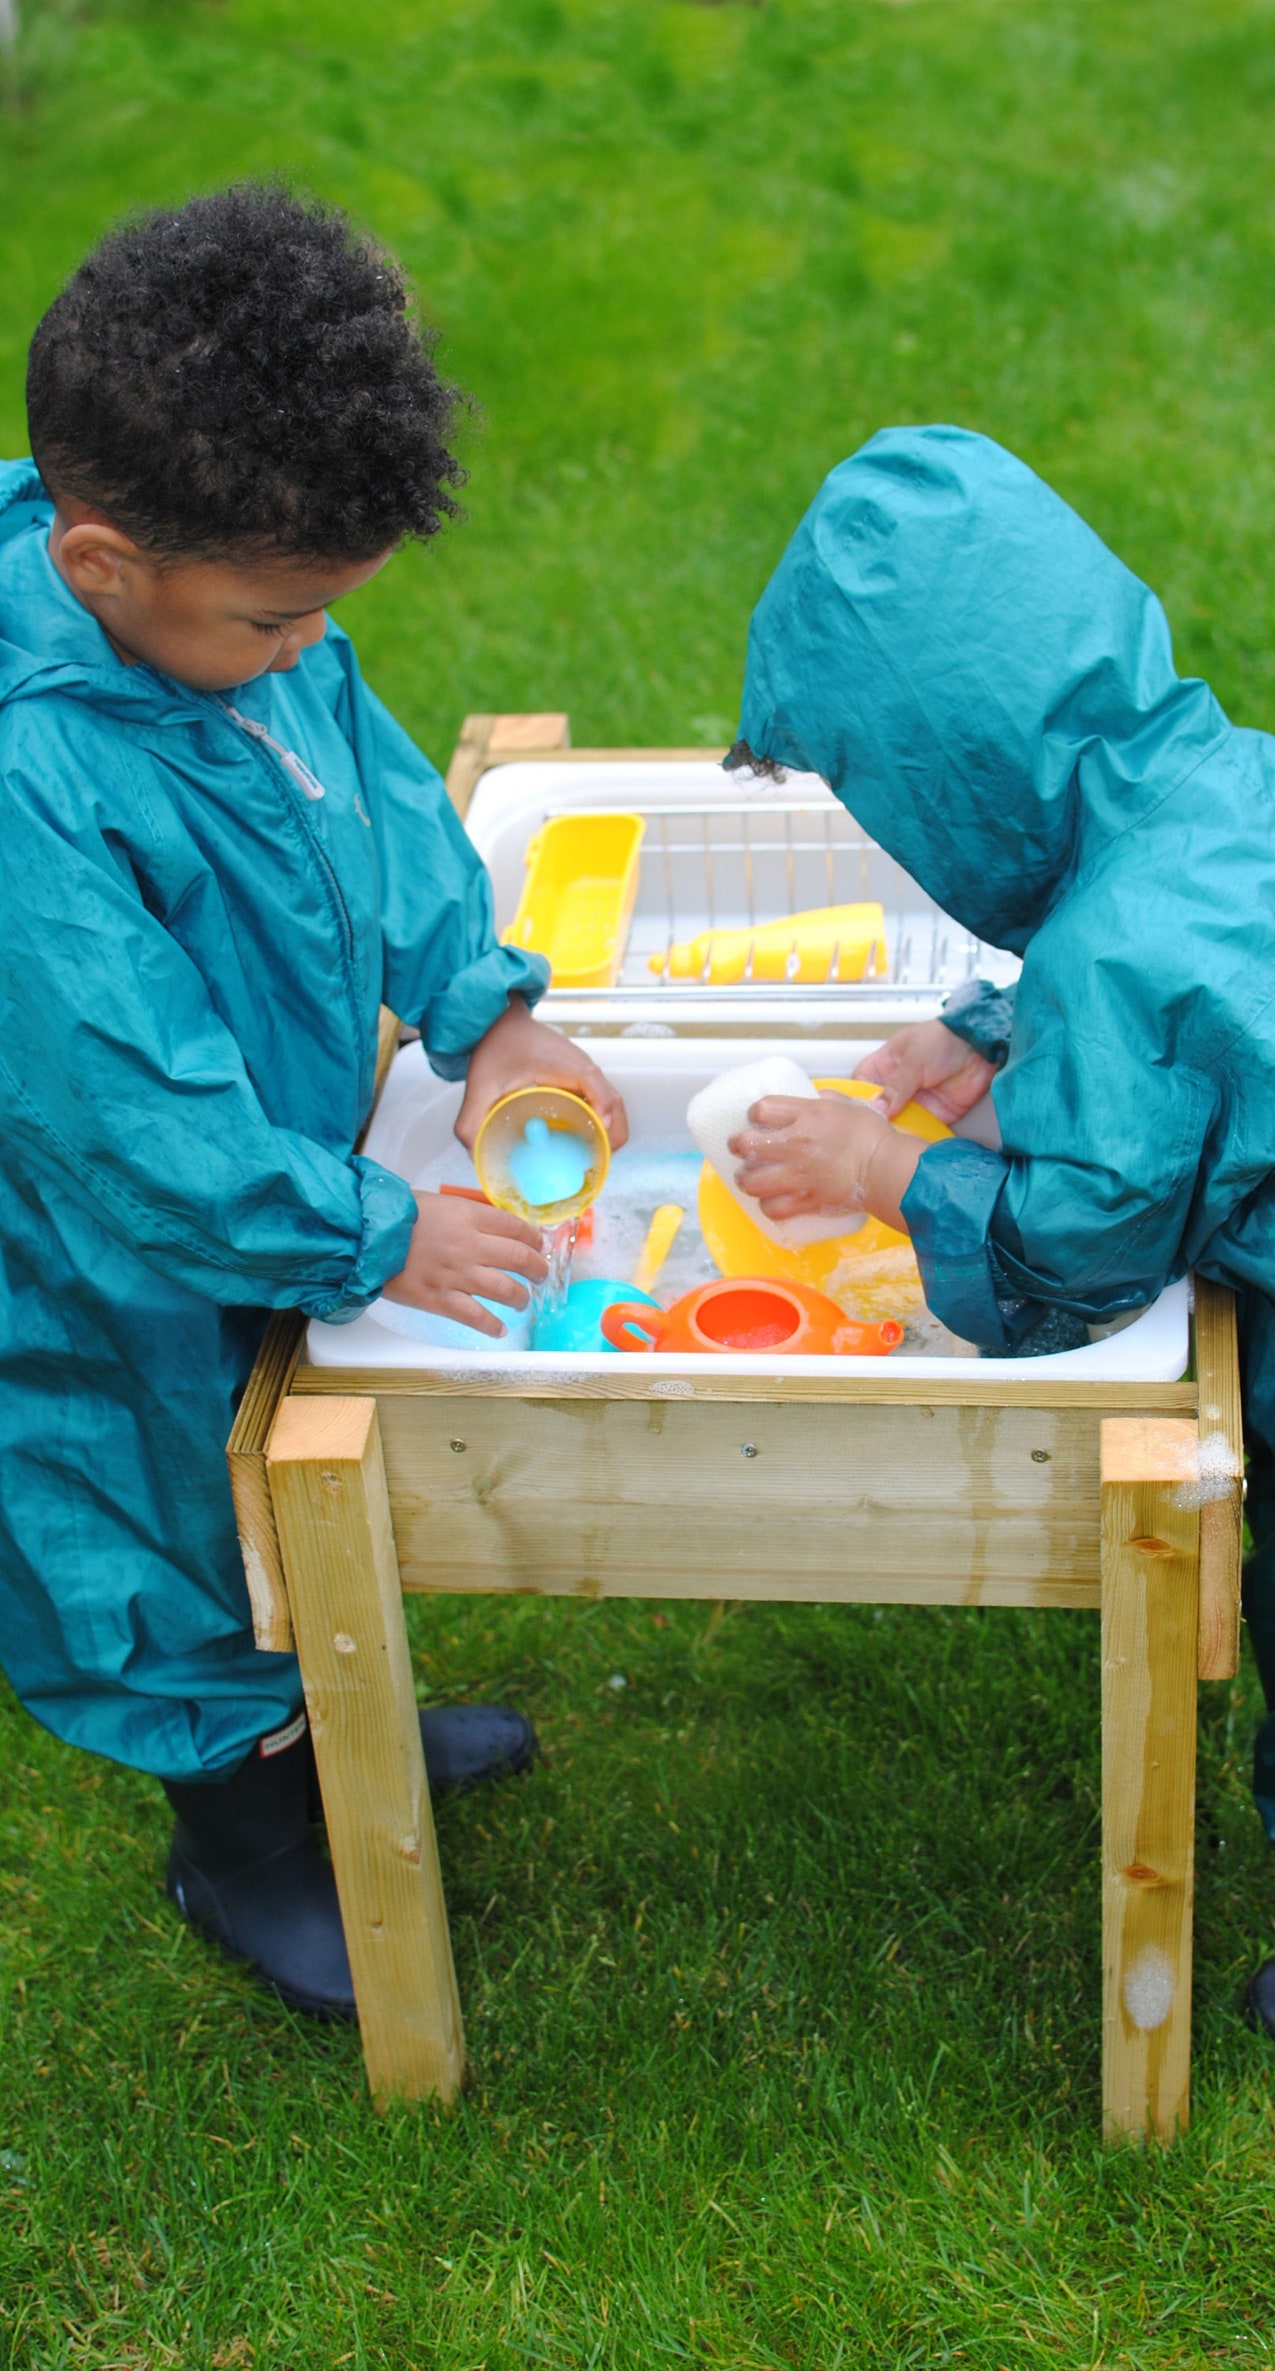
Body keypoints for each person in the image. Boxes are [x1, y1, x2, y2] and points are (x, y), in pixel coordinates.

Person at [725, 424, 1275, 2067]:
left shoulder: (1113, 941)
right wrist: (1003, 1033)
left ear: (949, 767)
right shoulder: (1229, 780)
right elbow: (1224, 995)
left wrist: (888, 1170)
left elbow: (1071, 1260)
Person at [0, 185, 628, 2018]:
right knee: (168, 1528)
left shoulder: (237, 619)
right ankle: (244, 1843)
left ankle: (338, 1712)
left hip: (265, 1173)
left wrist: (484, 1010)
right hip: (98, 1256)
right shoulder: (30, 782)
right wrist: (370, 1226)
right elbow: (128, 1122)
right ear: (103, 564)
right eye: (275, 620)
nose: (304, 650)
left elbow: (369, 794)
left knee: (292, 1467)